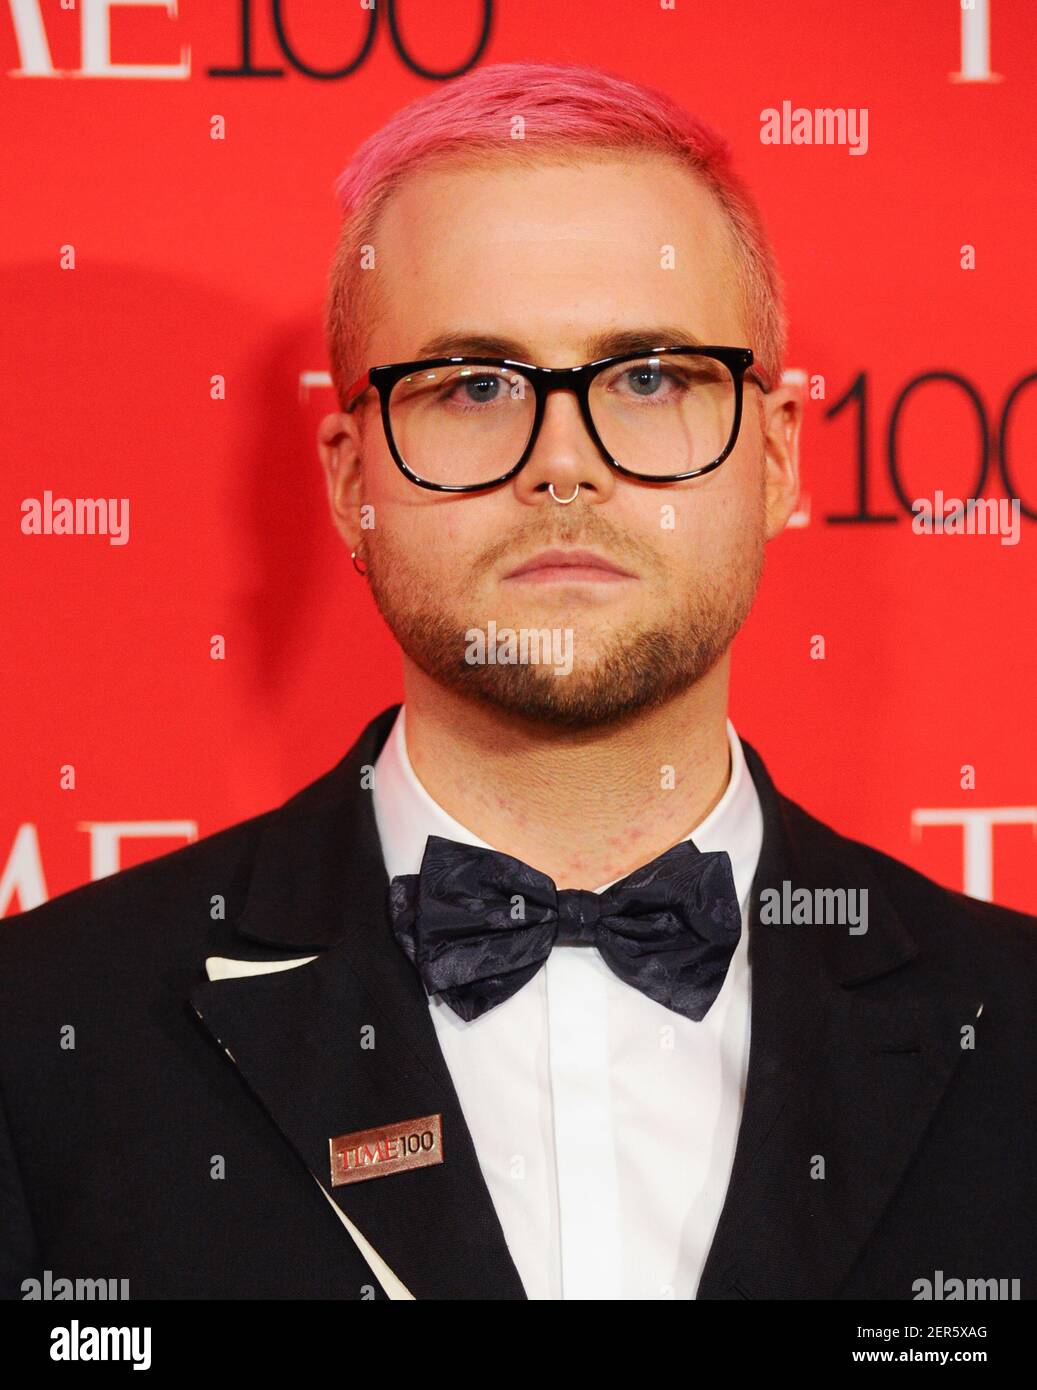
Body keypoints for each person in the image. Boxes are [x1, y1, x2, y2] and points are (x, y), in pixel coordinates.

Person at [2, 61, 1035, 1302]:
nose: (561, 463)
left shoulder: (1012, 1025)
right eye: (473, 385)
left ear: (774, 459)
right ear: (348, 480)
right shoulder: (43, 1038)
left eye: (649, 376)